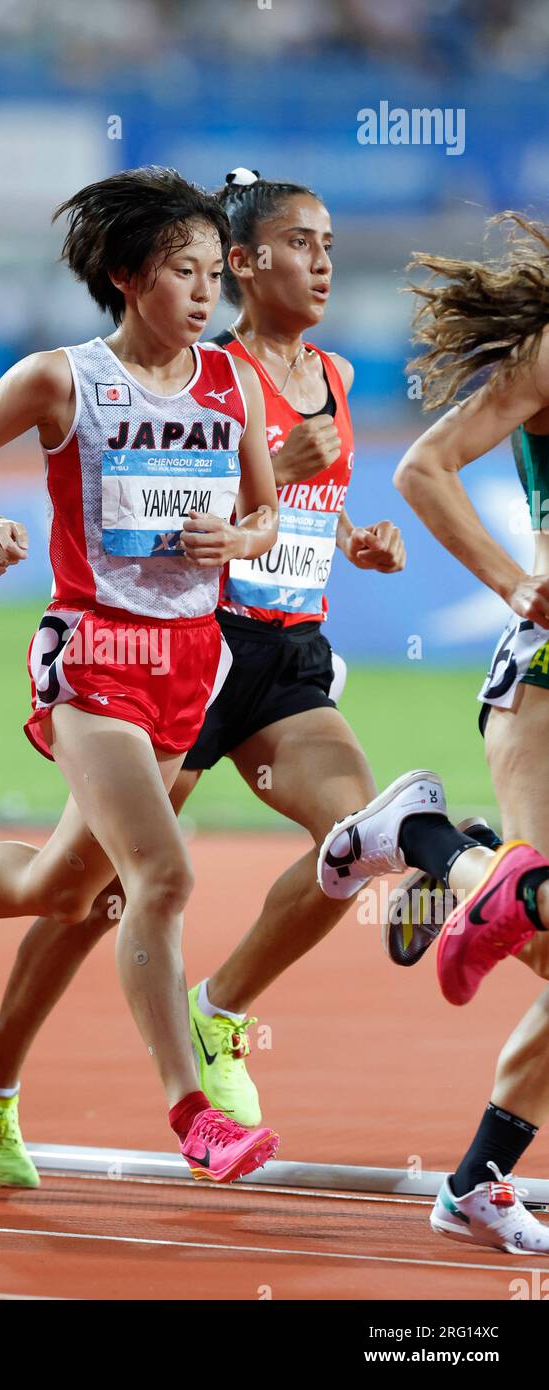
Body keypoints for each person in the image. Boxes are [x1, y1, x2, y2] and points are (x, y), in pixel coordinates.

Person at [0, 164, 414, 1191]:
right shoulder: (197, 364)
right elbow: (196, 461)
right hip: (183, 638)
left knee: (354, 841)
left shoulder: (341, 377)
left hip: (287, 654)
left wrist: (353, 533)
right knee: (86, 893)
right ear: (239, 260)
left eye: (326, 245)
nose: (319, 262)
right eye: (297, 244)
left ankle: (216, 1013)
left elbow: (287, 509)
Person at [0, 166, 284, 1184]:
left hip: (187, 660)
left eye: (215, 273)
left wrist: (234, 535)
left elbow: (264, 515)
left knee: (58, 888)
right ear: (127, 276)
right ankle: (192, 1112)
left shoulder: (231, 382)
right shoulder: (60, 377)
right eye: (181, 271)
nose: (205, 293)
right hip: (95, 654)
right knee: (157, 877)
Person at [343, 212, 549, 1255]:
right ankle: (432, 846)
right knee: (538, 907)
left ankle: (472, 1184)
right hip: (545, 678)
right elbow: (421, 467)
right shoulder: (546, 354)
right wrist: (517, 579)